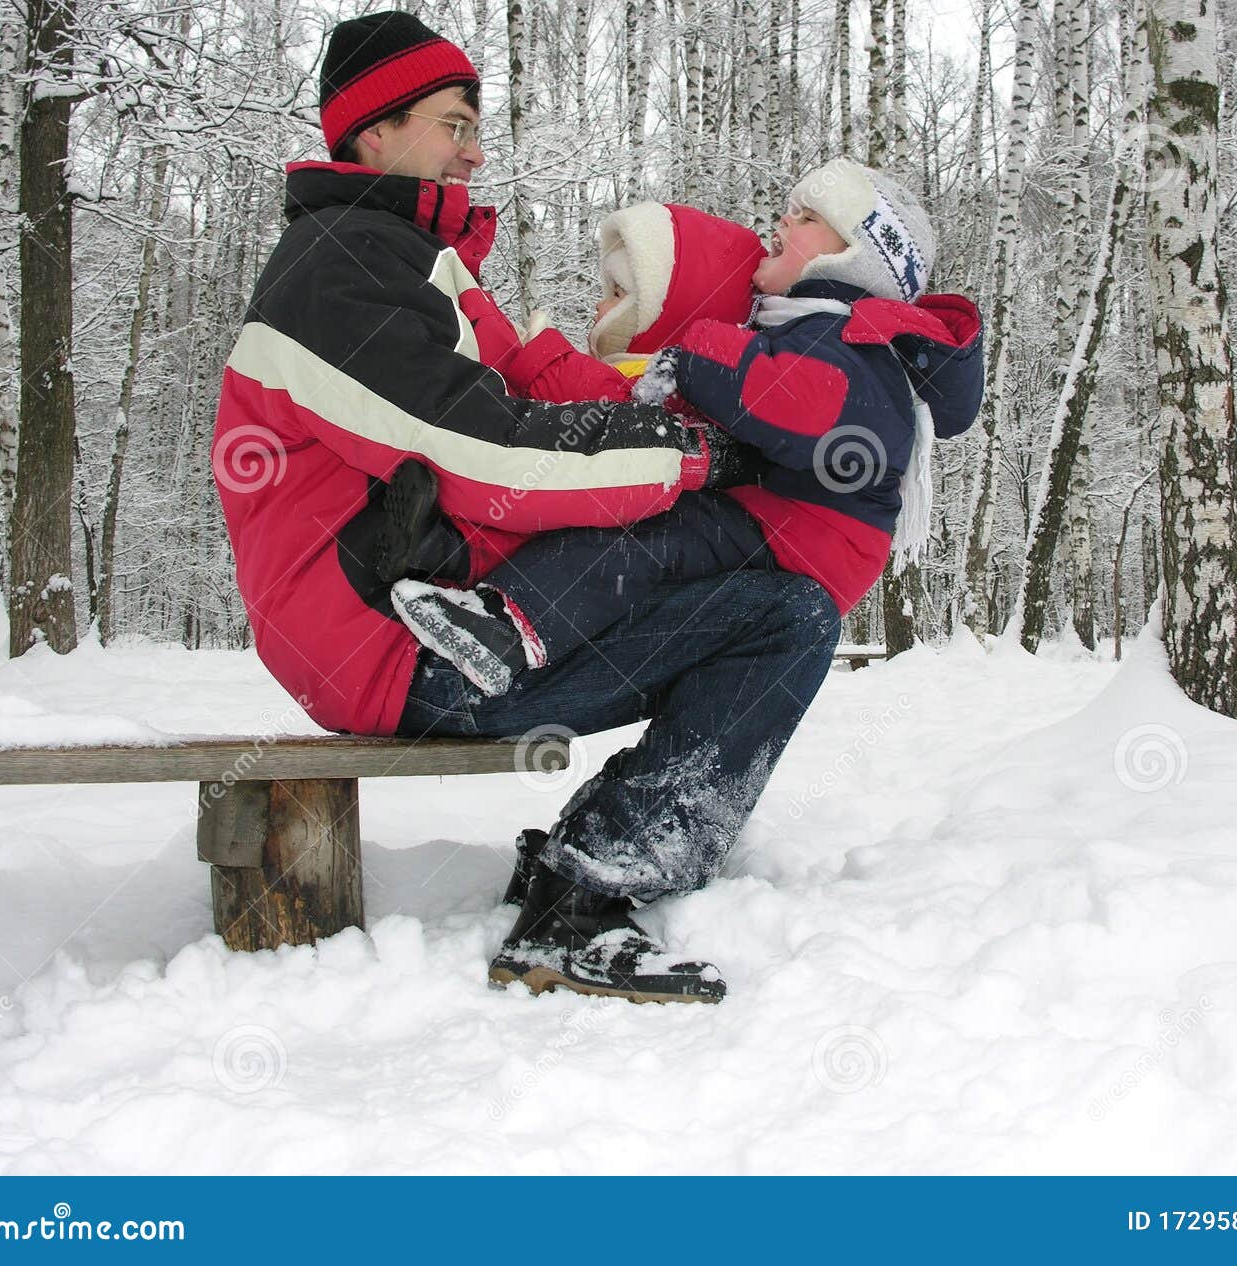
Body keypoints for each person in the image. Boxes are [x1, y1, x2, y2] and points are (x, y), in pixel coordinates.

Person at [213, 11, 844, 1005]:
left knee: (766, 596)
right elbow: (481, 454)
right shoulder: (339, 268)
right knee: (782, 617)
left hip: (428, 614)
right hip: (395, 645)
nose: (473, 149)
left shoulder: (415, 260)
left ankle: (591, 852)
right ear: (375, 130)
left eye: (475, 126)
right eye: (453, 123)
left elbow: (531, 386)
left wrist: (698, 406)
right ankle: (589, 894)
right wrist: (689, 460)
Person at [390, 159, 985, 697]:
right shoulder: (819, 336)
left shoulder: (853, 348)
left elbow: (792, 402)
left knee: (640, 544)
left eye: (806, 218)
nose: (782, 219)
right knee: (632, 523)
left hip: (798, 535)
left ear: (850, 255)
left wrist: (694, 355)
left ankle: (506, 630)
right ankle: (478, 586)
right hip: (781, 524)